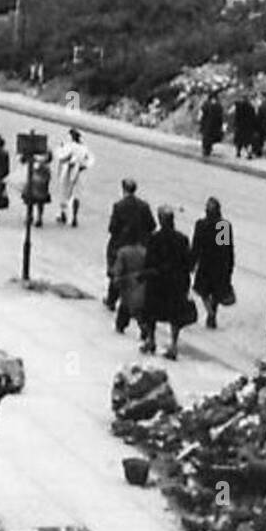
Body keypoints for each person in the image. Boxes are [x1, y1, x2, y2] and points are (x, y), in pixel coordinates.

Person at [139, 206, 194, 359]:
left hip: (157, 283)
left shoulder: (154, 239)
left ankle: (151, 340)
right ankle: (174, 344)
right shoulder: (182, 239)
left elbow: (149, 261)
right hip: (176, 283)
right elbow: (188, 263)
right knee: (175, 316)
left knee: (151, 312)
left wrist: (145, 275)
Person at [105, 179, 156, 308]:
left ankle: (112, 299)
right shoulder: (144, 206)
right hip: (140, 245)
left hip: (121, 244)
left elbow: (112, 228)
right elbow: (152, 225)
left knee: (117, 271)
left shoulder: (119, 206)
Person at [191, 197, 235, 328]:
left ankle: (210, 312)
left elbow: (196, 246)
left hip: (205, 263)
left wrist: (192, 262)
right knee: (215, 291)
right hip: (219, 264)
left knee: (203, 290)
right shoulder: (223, 226)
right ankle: (213, 312)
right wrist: (229, 264)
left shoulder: (201, 224)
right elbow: (226, 248)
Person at [53, 128, 95, 226]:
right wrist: (83, 166)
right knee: (76, 194)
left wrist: (60, 148)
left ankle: (62, 212)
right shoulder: (83, 148)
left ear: (71, 137)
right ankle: (74, 215)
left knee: (64, 192)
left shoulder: (68, 146)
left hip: (67, 171)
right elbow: (90, 160)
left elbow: (61, 156)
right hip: (79, 172)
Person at [22, 151, 52, 227]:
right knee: (39, 198)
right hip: (42, 173)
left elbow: (23, 159)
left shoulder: (35, 148)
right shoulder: (45, 148)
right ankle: (38, 217)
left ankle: (31, 216)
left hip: (36, 172)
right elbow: (49, 158)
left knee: (32, 196)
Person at [232, 95, 257, 159]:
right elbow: (254, 118)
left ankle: (238, 153)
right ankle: (248, 153)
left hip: (240, 127)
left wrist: (235, 125)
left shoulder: (239, 107)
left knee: (239, 141)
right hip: (248, 127)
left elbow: (236, 117)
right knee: (248, 141)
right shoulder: (251, 107)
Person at [199, 93, 224, 158]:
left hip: (207, 123)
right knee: (212, 137)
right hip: (215, 125)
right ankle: (208, 149)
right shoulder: (219, 106)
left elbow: (201, 113)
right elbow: (221, 116)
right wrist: (221, 124)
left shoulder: (206, 104)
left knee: (206, 137)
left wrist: (200, 121)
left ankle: (206, 149)